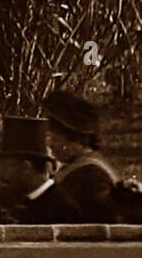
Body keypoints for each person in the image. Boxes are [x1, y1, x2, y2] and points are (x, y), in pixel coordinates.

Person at [24, 91, 124, 224]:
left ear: (77, 140)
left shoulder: (91, 176)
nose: (50, 144)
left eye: (55, 139)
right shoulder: (74, 167)